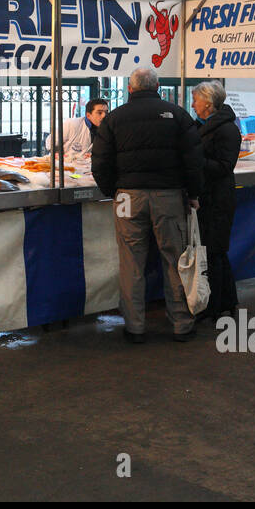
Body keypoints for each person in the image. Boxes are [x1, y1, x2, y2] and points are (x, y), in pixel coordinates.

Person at [92, 67, 204, 344]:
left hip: (126, 198)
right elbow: (193, 160)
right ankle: (181, 323)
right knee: (175, 260)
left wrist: (114, 191)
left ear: (130, 89)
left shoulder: (114, 118)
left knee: (131, 262)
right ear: (157, 88)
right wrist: (193, 193)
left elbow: (99, 163)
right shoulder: (178, 115)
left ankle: (135, 327)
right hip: (169, 195)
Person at [190, 82, 241, 320]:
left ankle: (215, 305)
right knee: (215, 251)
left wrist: (195, 160)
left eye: (196, 100)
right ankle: (226, 302)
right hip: (211, 196)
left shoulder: (226, 130)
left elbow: (224, 166)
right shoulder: (208, 126)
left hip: (218, 199)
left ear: (208, 103)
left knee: (214, 252)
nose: (193, 105)